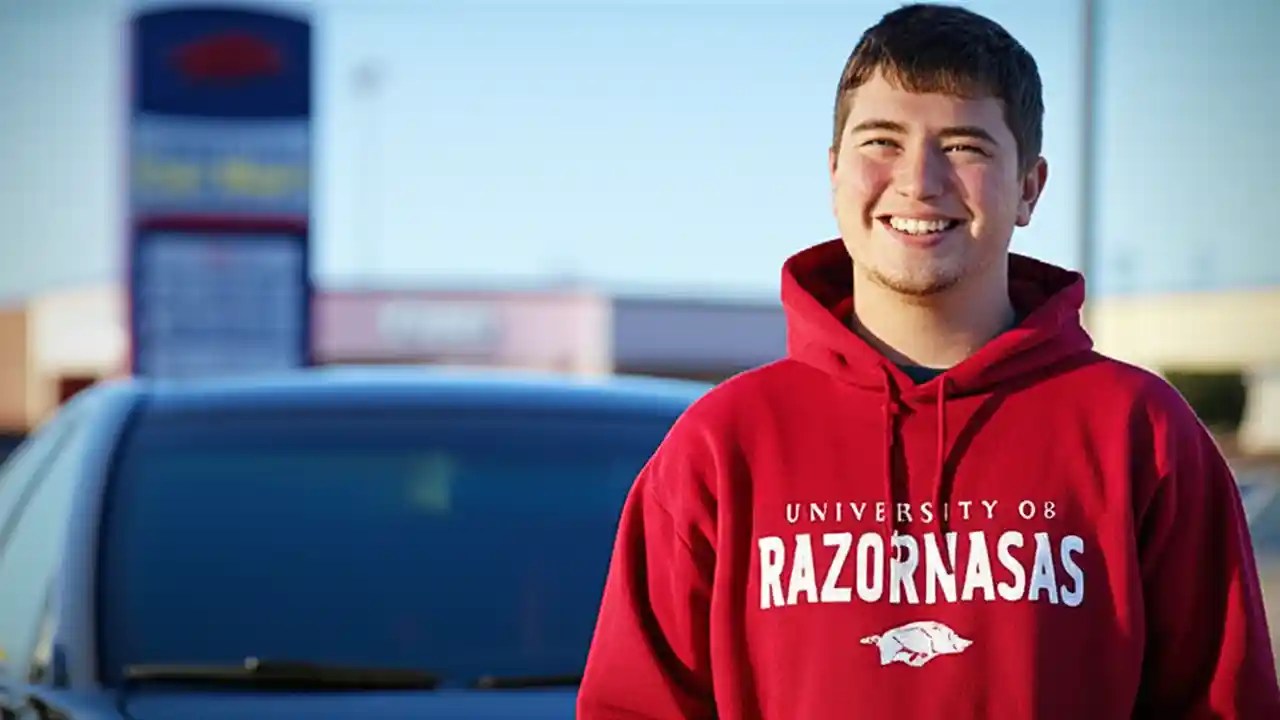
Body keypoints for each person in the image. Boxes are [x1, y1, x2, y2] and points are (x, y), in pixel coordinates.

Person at [576, 3, 1280, 718]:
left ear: (1029, 188)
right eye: (882, 141)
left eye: (965, 146)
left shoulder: (1140, 433)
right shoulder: (722, 445)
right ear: (834, 174)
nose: (919, 180)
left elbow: (1223, 702)